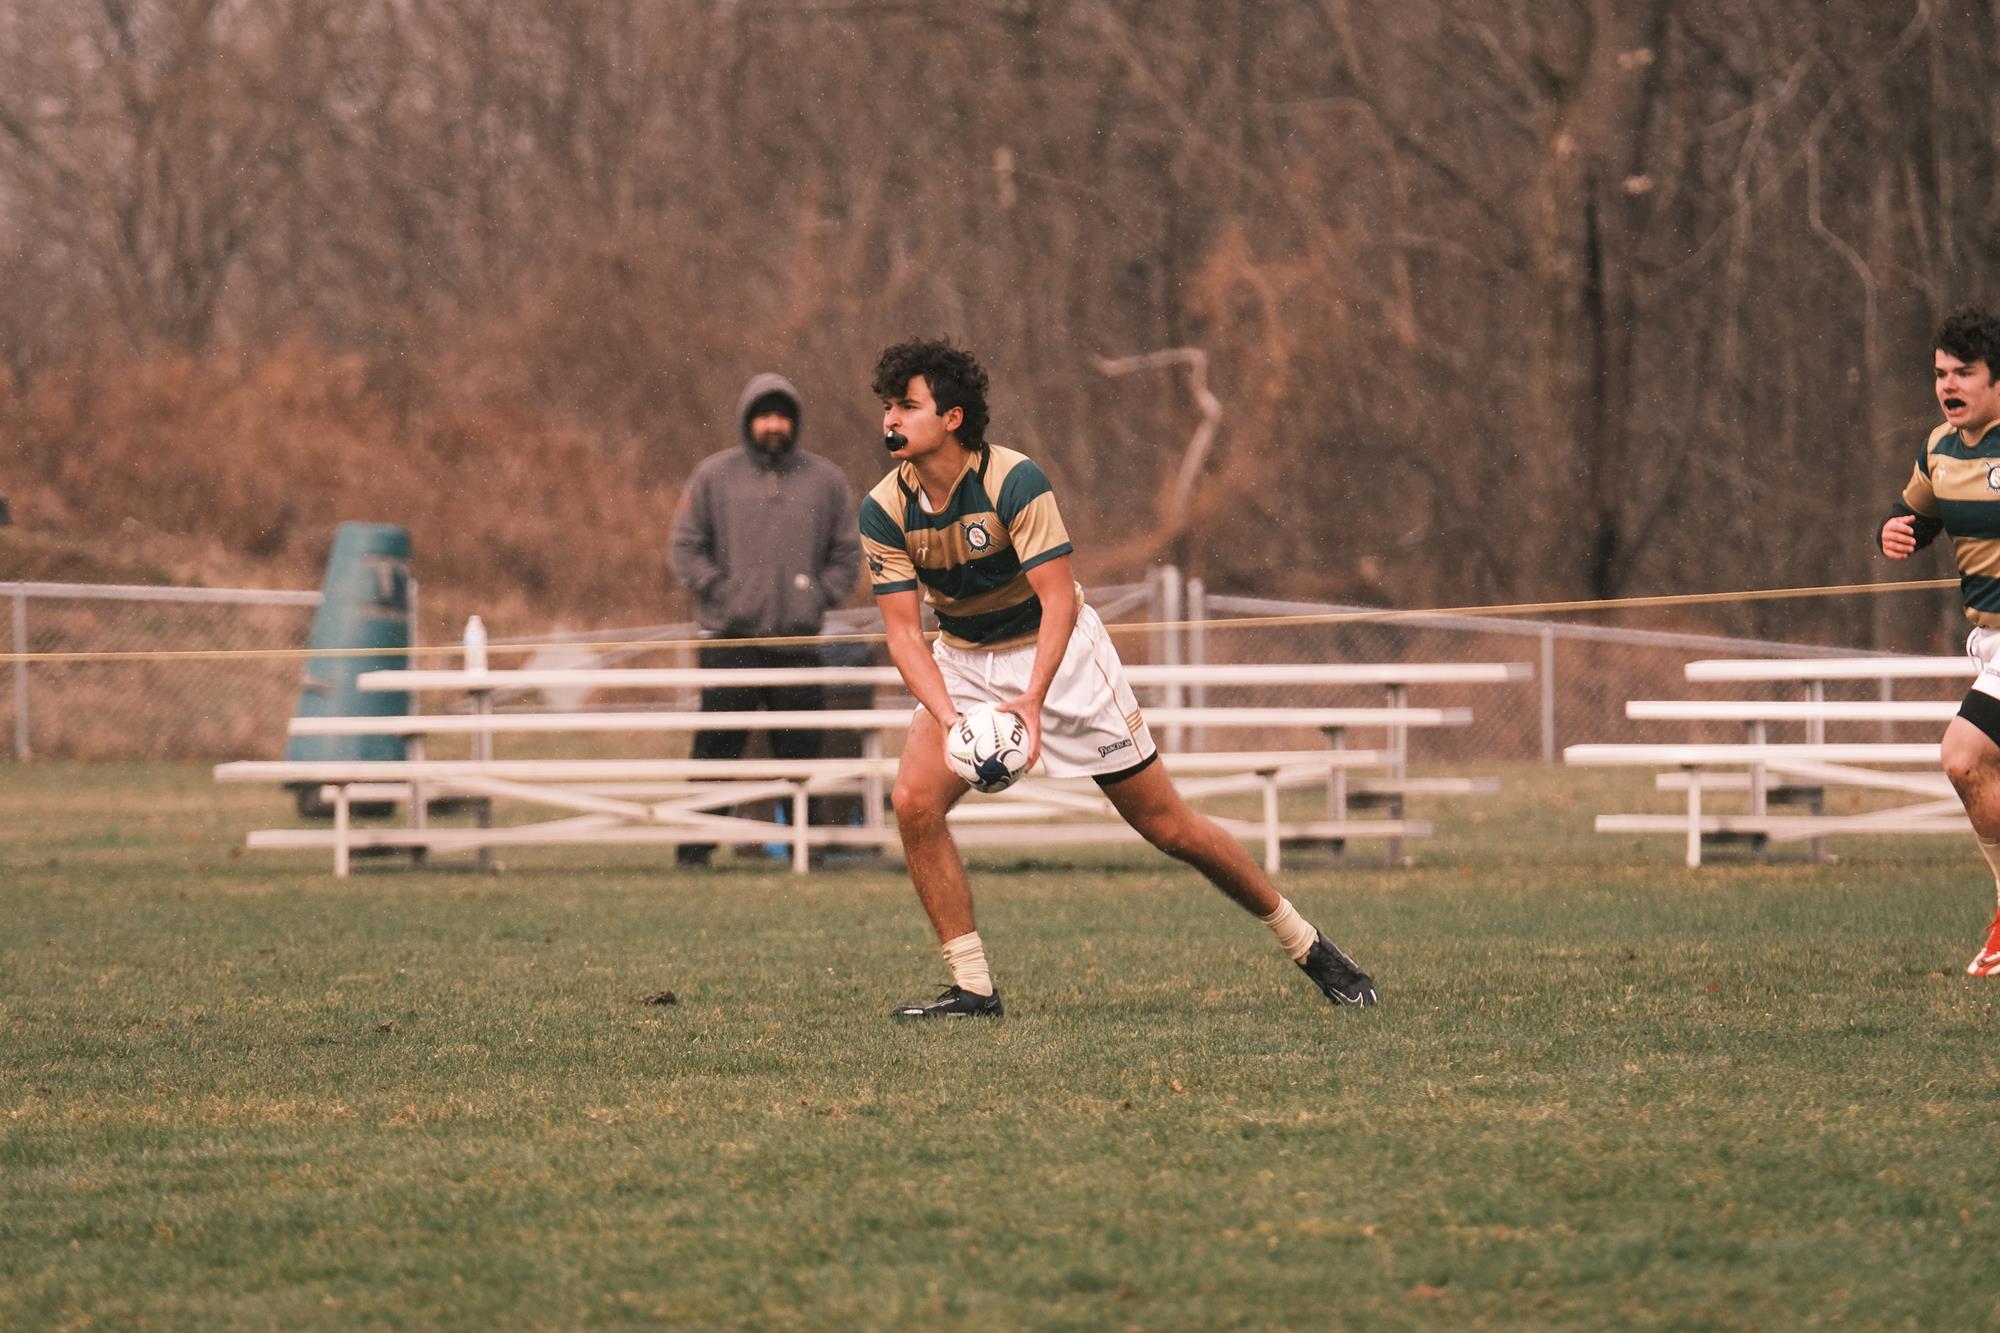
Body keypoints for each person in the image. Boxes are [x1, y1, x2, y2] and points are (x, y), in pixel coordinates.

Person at [857, 337, 1377, 1018]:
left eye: (907, 405)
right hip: (963, 659)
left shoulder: (1014, 482)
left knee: (1169, 827)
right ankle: (974, 988)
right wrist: (952, 718)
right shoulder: (884, 508)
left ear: (951, 417)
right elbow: (902, 633)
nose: (890, 420)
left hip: (1061, 658)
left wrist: (1033, 702)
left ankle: (1306, 942)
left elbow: (1057, 600)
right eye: (887, 407)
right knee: (913, 804)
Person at [670, 372, 861, 867]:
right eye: (764, 416)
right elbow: (685, 549)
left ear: (793, 422)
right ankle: (695, 848)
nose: (773, 425)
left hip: (798, 643)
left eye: (781, 416)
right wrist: (725, 593)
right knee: (715, 747)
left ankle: (808, 846)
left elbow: (846, 553)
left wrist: (817, 596)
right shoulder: (713, 476)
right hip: (727, 642)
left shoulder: (826, 481)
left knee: (801, 749)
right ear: (747, 421)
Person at [1881, 306, 2000, 975]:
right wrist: (1891, 532)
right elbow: (1913, 515)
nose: (1949, 385)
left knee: (1963, 756)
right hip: (1987, 645)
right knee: (1973, 766)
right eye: (1939, 373)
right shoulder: (1941, 450)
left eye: (1965, 373)